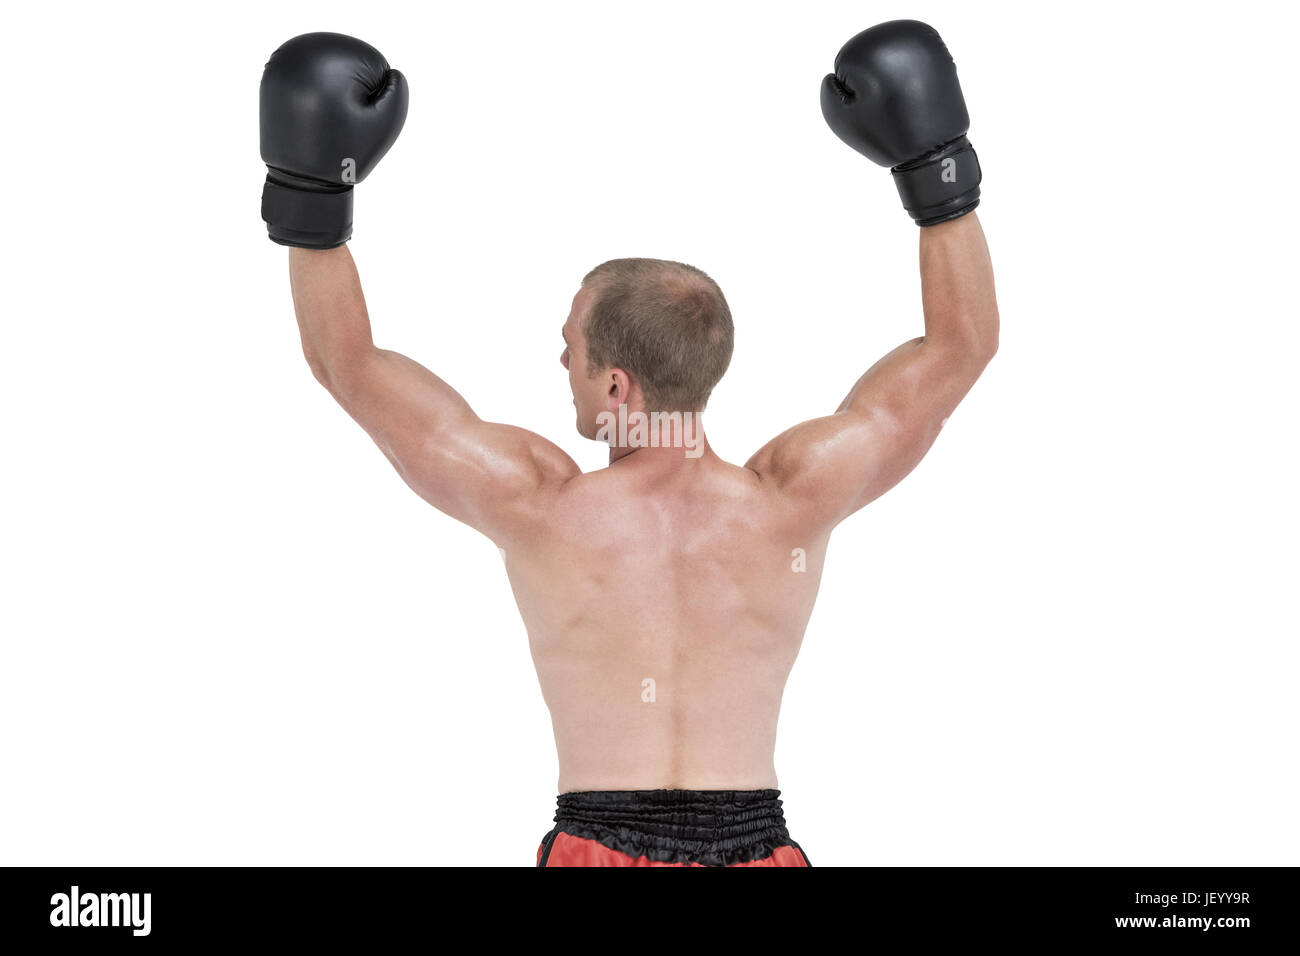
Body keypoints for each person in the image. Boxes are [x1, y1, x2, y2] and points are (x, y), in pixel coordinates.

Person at [259, 21, 998, 867]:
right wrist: (938, 176)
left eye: (571, 346)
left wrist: (311, 198)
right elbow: (959, 347)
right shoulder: (796, 496)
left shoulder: (536, 503)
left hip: (595, 848)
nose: (560, 358)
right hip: (762, 852)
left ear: (616, 385)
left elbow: (344, 362)